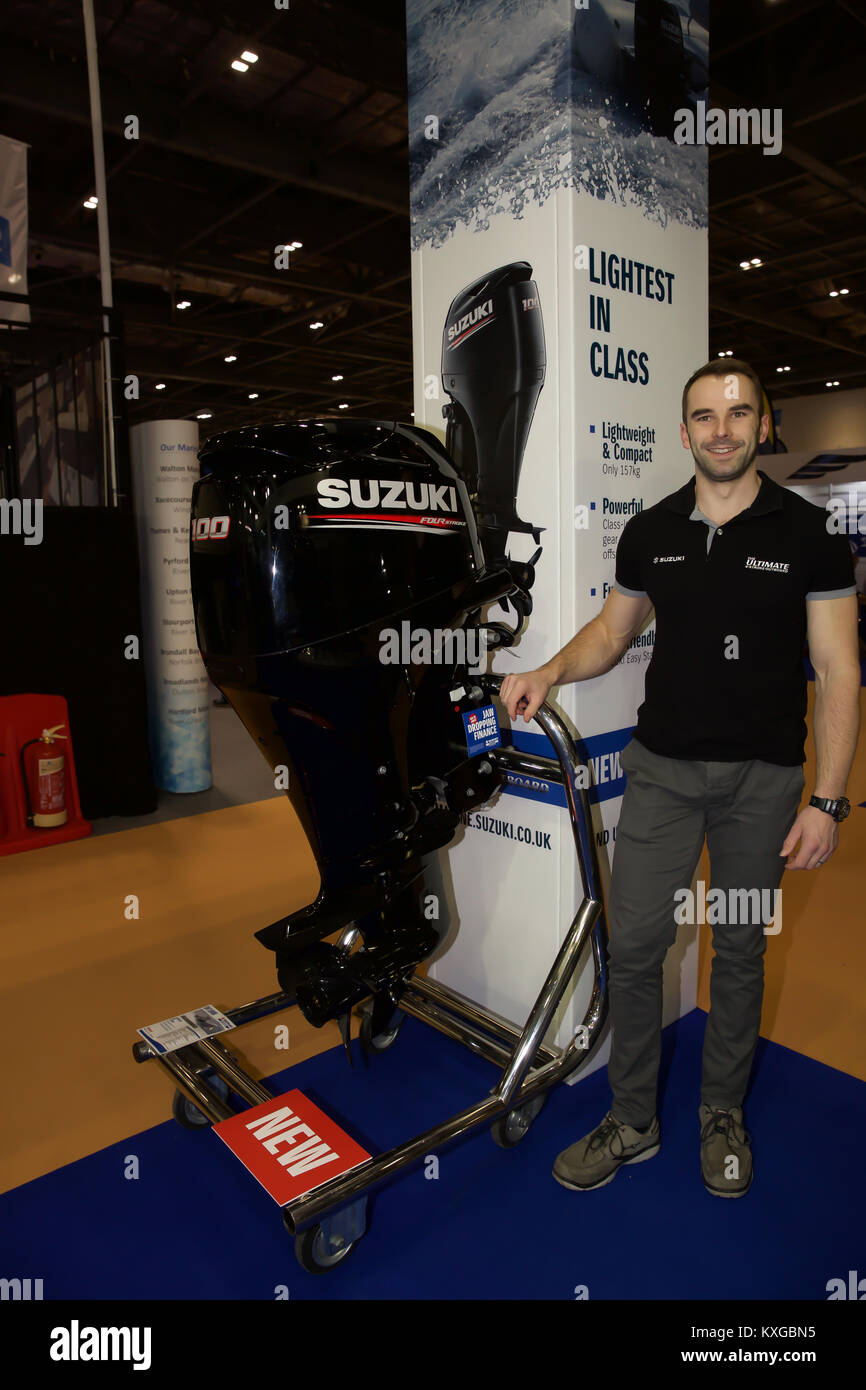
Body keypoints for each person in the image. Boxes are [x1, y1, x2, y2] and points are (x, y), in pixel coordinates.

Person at [500, 359, 860, 1198]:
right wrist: (549, 671)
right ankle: (632, 1122)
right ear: (686, 428)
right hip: (661, 777)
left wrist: (828, 798)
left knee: (736, 951)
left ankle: (721, 1115)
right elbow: (612, 632)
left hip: (765, 787)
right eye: (705, 416)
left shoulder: (808, 535)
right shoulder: (652, 529)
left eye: (739, 413)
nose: (723, 430)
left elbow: (839, 667)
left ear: (764, 423)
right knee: (634, 949)